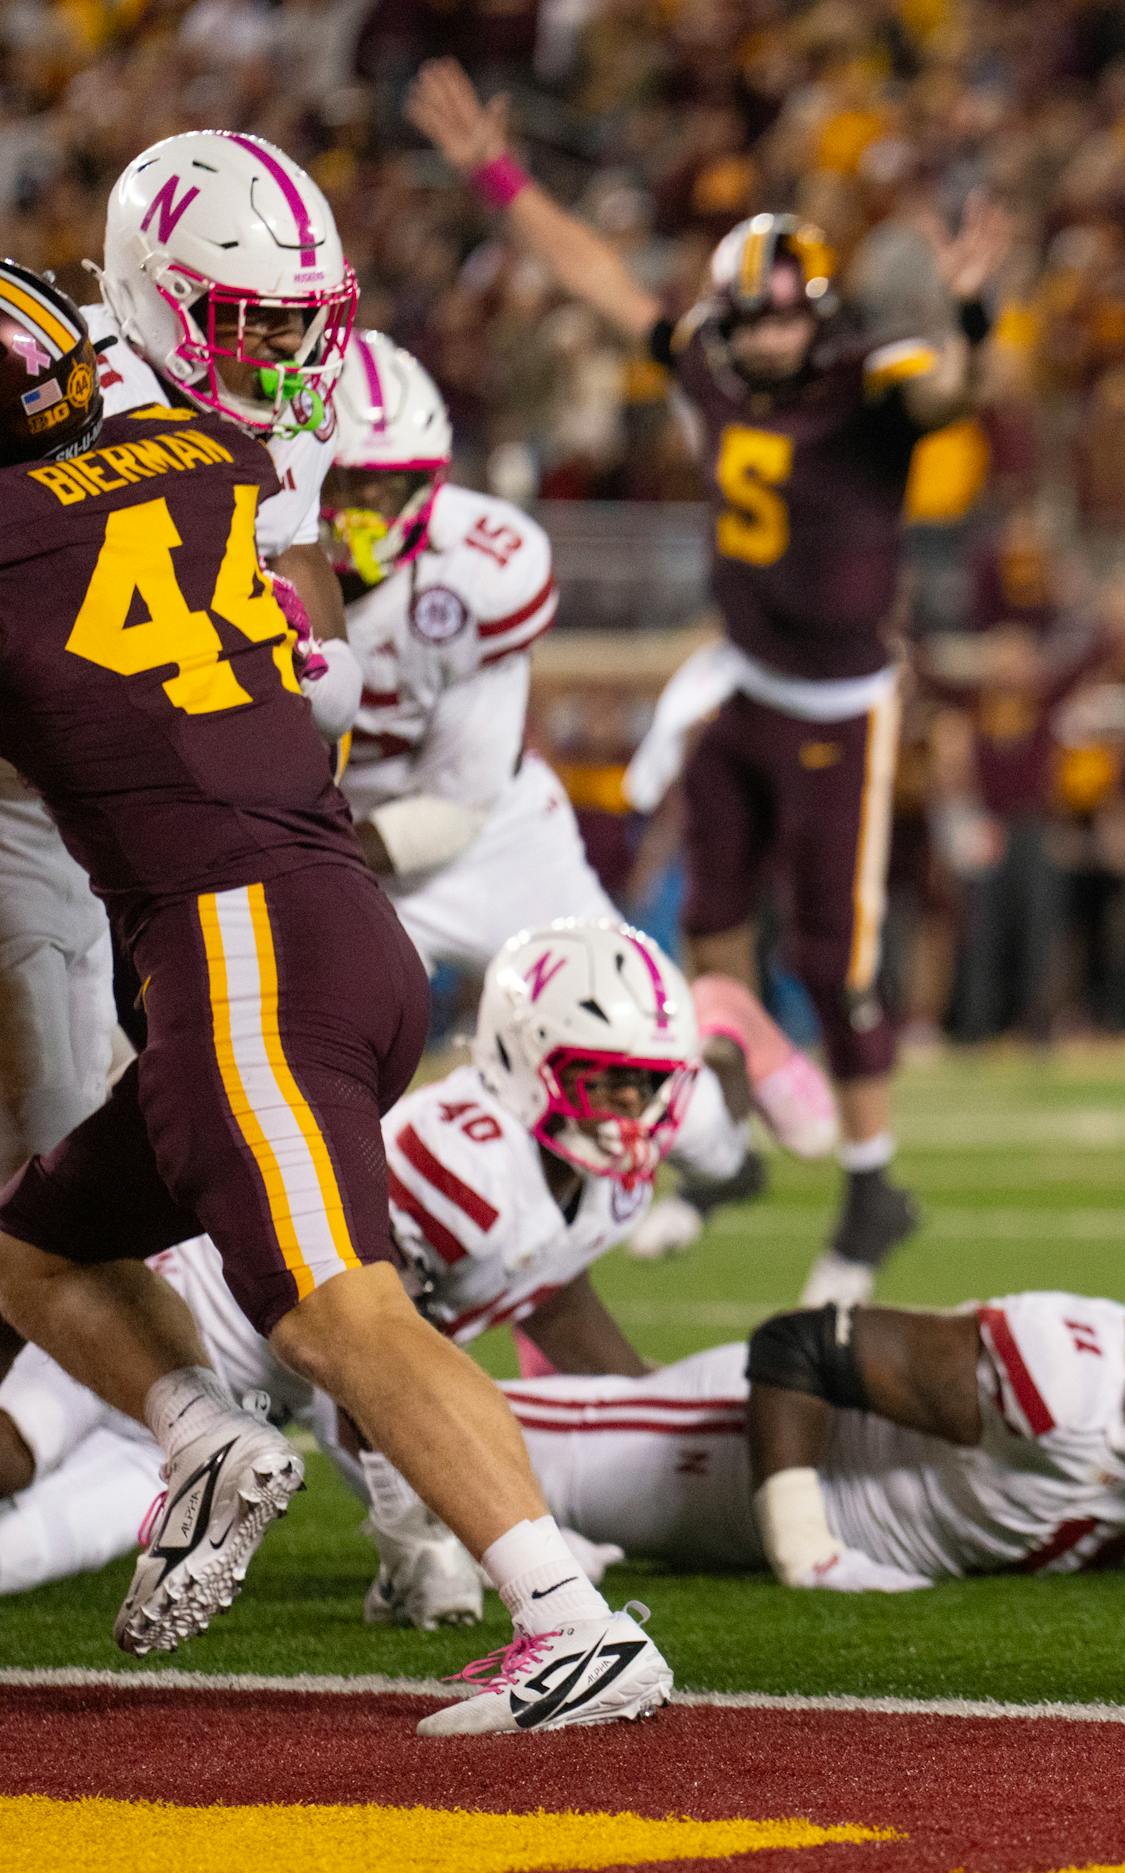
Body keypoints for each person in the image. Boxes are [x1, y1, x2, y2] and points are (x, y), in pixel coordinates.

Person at [0, 274, 668, 1736]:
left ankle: (572, 1622)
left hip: (238, 943)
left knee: (336, 1308)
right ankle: (200, 1434)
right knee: (34, 1250)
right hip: (339, 917)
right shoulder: (209, 458)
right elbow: (308, 621)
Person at [407, 59, 1009, 1305]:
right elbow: (595, 273)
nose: (773, 339)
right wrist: (495, 177)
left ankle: (871, 1183)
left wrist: (965, 322)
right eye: (755, 324)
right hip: (740, 682)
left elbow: (947, 392)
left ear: (827, 318)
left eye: (790, 320)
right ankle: (726, 1152)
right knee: (712, 925)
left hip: (843, 704)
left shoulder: (872, 384)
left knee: (838, 959)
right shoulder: (712, 366)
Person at [0, 917, 702, 1628]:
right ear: (525, 1056)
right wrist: (433, 1538)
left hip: (259, 1404)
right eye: (607, 1079)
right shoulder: (467, 1160)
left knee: (23, 1554)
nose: (630, 1108)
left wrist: (657, 1402)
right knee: (15, 1451)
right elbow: (358, 1353)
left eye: (648, 1084)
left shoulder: (609, 1187)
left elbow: (556, 1297)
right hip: (176, 1312)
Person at [319, 332, 832, 1229]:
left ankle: (723, 1067)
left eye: (382, 485)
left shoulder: (475, 573)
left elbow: (457, 804)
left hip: (485, 837)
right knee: (293, 1062)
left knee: (641, 1054)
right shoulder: (237, 551)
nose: (360, 510)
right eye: (341, 485)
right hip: (340, 849)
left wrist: (300, 856)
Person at [1, 130, 361, 1188]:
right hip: (30, 789)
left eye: (304, 323)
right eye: (254, 325)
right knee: (53, 1128)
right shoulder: (58, 399)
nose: (287, 357)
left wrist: (312, 644)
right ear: (158, 298)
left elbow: (293, 541)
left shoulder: (288, 404)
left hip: (178, 804)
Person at [498, 1241, 1125, 1588]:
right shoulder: (1067, 1377)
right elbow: (797, 1345)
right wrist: (806, 1545)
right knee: (416, 1437)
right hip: (730, 1456)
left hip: (810, 1514)